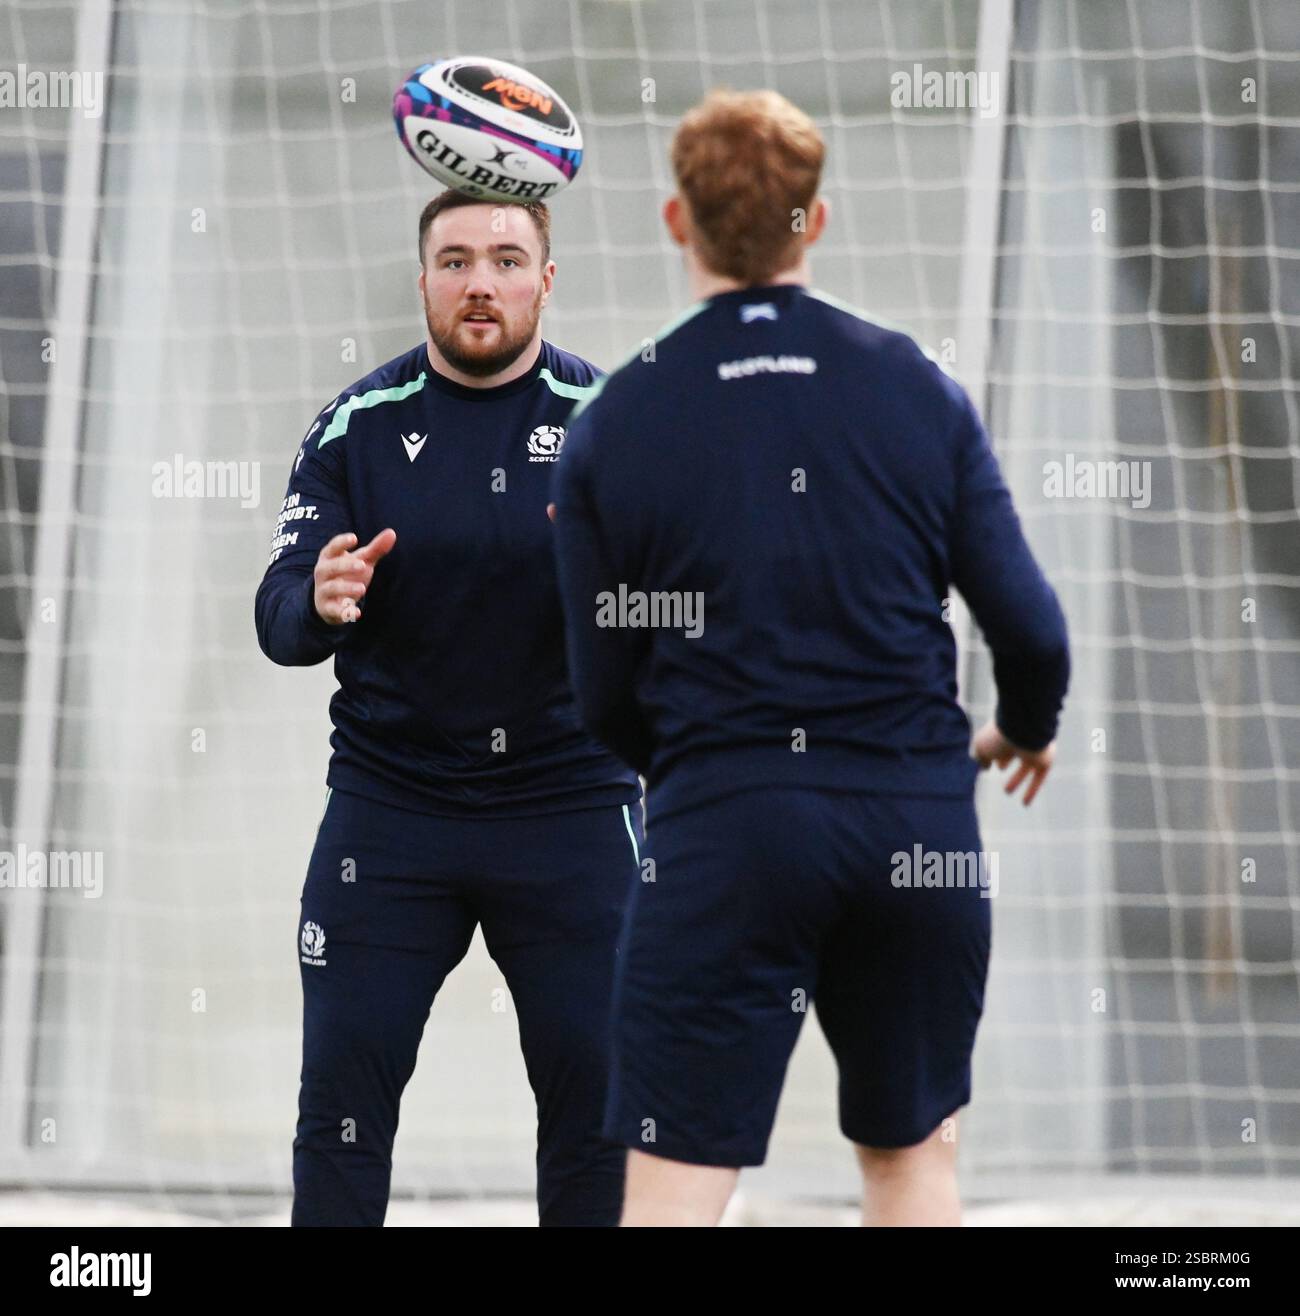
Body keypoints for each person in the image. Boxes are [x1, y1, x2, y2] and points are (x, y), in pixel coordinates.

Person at [550, 89, 1070, 1226]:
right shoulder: (915, 390)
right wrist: (1020, 728)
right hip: (912, 823)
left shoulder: (613, 419)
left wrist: (706, 771)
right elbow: (1031, 630)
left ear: (675, 222)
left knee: (677, 1179)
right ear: (815, 222)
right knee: (911, 1156)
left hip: (724, 829)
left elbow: (599, 696)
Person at [255, 189, 641, 1227]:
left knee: (599, 1107)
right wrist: (323, 599)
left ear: (545, 281)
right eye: (457, 260)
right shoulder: (356, 427)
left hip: (570, 806)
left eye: (508, 261)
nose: (482, 282)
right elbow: (280, 611)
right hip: (391, 812)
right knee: (339, 1104)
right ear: (422, 278)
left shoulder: (609, 424)